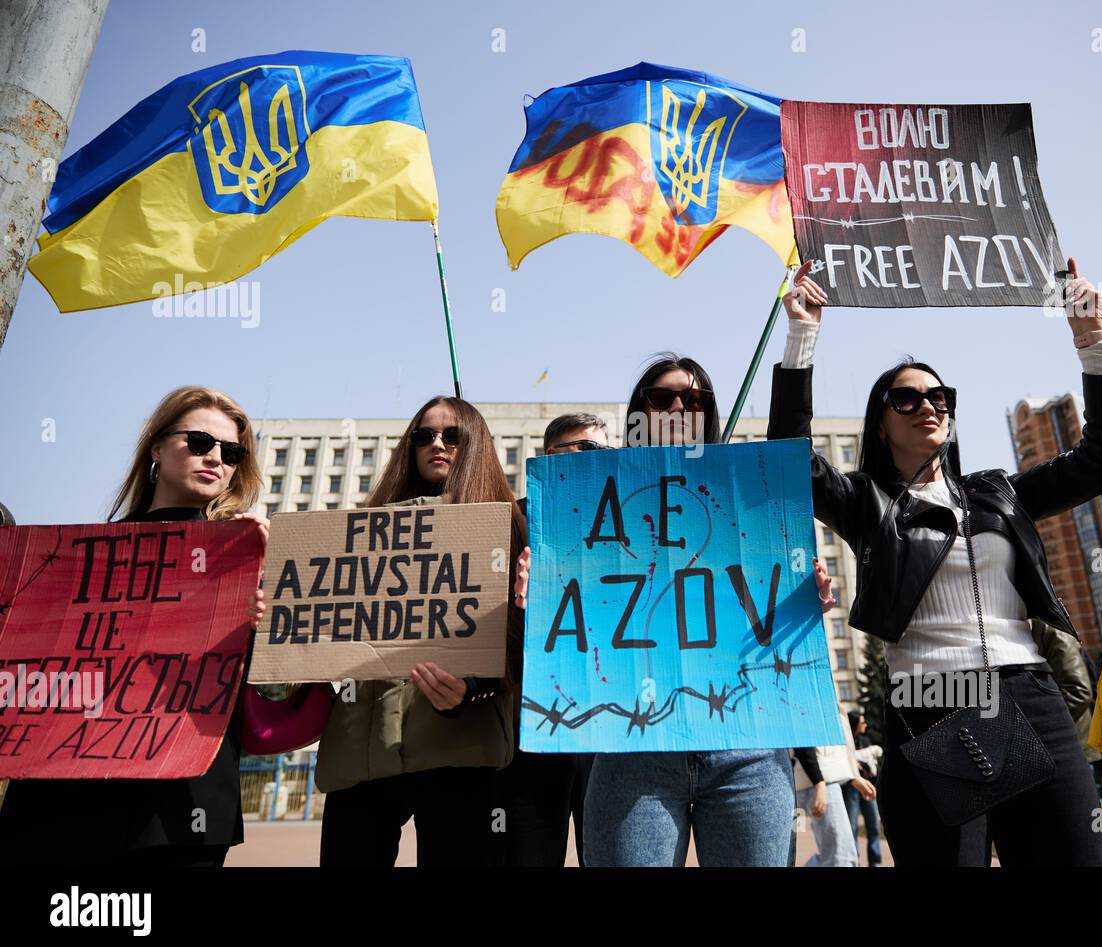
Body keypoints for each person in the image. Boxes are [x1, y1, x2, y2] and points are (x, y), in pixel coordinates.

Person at [768, 257, 1102, 866]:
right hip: (930, 703)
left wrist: (1093, 340)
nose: (927, 406)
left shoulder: (999, 492)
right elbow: (788, 458)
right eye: (905, 399)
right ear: (880, 424)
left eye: (938, 396)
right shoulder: (865, 502)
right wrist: (803, 335)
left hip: (1028, 693)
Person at [514, 355, 836, 866]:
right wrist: (541, 602)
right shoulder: (597, 500)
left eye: (694, 398)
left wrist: (804, 600)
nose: (679, 406)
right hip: (632, 747)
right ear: (638, 412)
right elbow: (581, 616)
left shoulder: (752, 486)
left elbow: (769, 598)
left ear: (710, 411)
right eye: (661, 397)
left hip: (747, 746)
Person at [0, 386, 325, 865]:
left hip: (182, 806)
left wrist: (261, 625)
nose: (215, 457)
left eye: (231, 452)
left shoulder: (251, 559)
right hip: (65, 795)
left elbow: (268, 684)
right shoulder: (75, 556)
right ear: (156, 447)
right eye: (198, 441)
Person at [314, 395, 526, 867]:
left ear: (476, 445)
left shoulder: (512, 528)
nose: (437, 444)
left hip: (462, 753)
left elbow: (526, 645)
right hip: (358, 755)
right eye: (424, 435)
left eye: (453, 436)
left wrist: (471, 690)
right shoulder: (359, 531)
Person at [496, 413, 609, 866]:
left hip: (609, 728)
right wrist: (519, 610)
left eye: (599, 451)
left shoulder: (632, 518)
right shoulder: (512, 523)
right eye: (577, 449)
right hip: (532, 729)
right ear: (548, 458)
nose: (589, 460)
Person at [792, 713, 875, 866]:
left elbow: (835, 747)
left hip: (823, 779)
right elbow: (803, 732)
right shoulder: (817, 691)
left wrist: (852, 776)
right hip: (818, 780)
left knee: (839, 856)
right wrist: (819, 782)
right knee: (840, 858)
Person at [843, 709, 884, 865]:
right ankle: (854, 861)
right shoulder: (845, 742)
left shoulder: (865, 741)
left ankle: (876, 862)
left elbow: (873, 762)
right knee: (851, 827)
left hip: (867, 786)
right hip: (850, 788)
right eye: (862, 722)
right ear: (854, 724)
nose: (865, 724)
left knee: (873, 826)